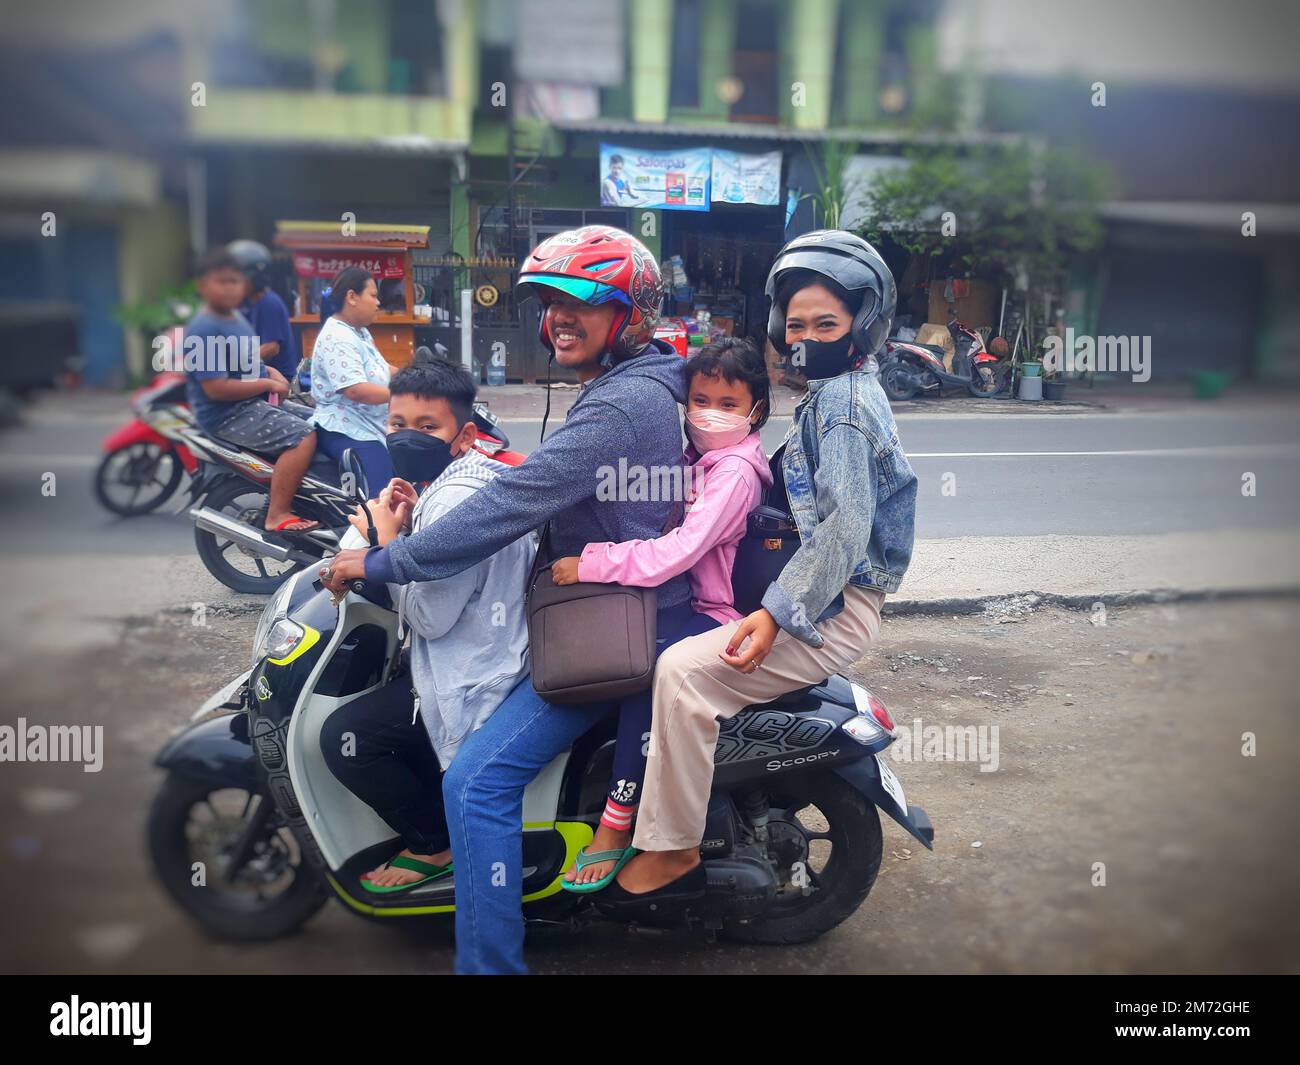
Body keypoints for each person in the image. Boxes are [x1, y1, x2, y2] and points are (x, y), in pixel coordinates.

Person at [322, 225, 695, 973]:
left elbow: (510, 506)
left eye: (580, 302)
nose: (558, 316)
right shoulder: (640, 383)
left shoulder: (620, 404)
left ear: (630, 311)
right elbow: (553, 474)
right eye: (549, 302)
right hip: (608, 607)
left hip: (609, 631)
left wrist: (380, 560)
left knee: (474, 782)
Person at [603, 230, 918, 908]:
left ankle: (673, 845)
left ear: (862, 323)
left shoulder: (845, 407)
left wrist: (778, 611)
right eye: (795, 323)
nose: (806, 336)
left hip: (831, 609)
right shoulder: (836, 392)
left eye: (825, 323)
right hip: (820, 596)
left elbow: (845, 526)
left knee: (682, 674)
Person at [547, 336, 772, 890]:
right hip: (683, 598)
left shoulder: (735, 474)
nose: (710, 413)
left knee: (640, 674)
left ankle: (617, 823)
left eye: (727, 404)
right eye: (700, 399)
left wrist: (592, 562)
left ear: (756, 410)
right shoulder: (703, 457)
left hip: (713, 613)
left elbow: (678, 551)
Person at [320, 359, 533, 893]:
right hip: (492, 648)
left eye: (427, 427)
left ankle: (433, 842)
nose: (407, 437)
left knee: (347, 737)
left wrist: (384, 546)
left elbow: (431, 620)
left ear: (462, 434)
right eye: (397, 424)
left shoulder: (454, 500)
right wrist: (411, 525)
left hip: (474, 671)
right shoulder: (468, 478)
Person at [182, 247, 318, 533]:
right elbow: (216, 389)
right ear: (203, 286)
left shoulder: (234, 318)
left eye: (235, 281)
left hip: (252, 402)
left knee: (321, 420)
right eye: (222, 281)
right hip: (227, 413)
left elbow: (248, 360)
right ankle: (277, 513)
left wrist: (271, 371)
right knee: (304, 437)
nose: (231, 288)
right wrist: (269, 383)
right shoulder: (204, 328)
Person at [309, 266, 394, 498]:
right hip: (347, 428)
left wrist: (421, 376)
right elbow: (355, 390)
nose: (378, 303)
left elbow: (382, 368)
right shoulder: (338, 336)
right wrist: (404, 393)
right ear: (352, 297)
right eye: (373, 295)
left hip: (370, 423)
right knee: (385, 497)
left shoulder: (360, 332)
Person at [229, 239, 299, 382]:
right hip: (256, 375)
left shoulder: (269, 303)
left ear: (254, 278)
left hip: (276, 381)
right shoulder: (246, 304)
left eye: (236, 280)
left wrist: (232, 367)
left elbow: (271, 348)